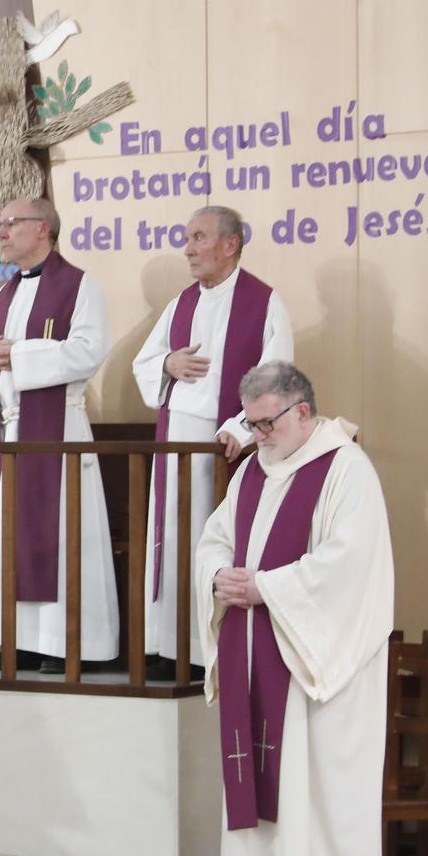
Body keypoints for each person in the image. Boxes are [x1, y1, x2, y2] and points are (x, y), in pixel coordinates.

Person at [201, 362, 393, 856]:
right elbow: (215, 539)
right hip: (256, 652)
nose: (258, 436)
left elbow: (349, 566)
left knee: (310, 788)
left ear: (302, 411)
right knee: (260, 780)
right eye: (252, 424)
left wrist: (268, 589)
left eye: (266, 423)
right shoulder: (252, 473)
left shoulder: (346, 470)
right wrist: (219, 577)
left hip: (314, 665)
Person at [133, 206, 294, 680]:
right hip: (175, 443)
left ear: (230, 244)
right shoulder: (181, 303)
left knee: (214, 543)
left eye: (199, 238)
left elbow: (278, 375)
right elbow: (145, 362)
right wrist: (167, 365)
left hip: (226, 450)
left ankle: (210, 651)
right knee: (173, 539)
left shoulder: (263, 302)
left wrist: (241, 428)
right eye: (187, 238)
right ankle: (169, 647)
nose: (188, 249)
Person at [0, 197, 117, 673]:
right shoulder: (2, 295)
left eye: (12, 224)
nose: (2, 233)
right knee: (7, 530)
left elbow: (90, 351)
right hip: (6, 430)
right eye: (0, 224)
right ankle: (14, 638)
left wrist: (21, 356)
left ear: (43, 229)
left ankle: (63, 641)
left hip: (58, 430)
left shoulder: (78, 285)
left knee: (60, 531)